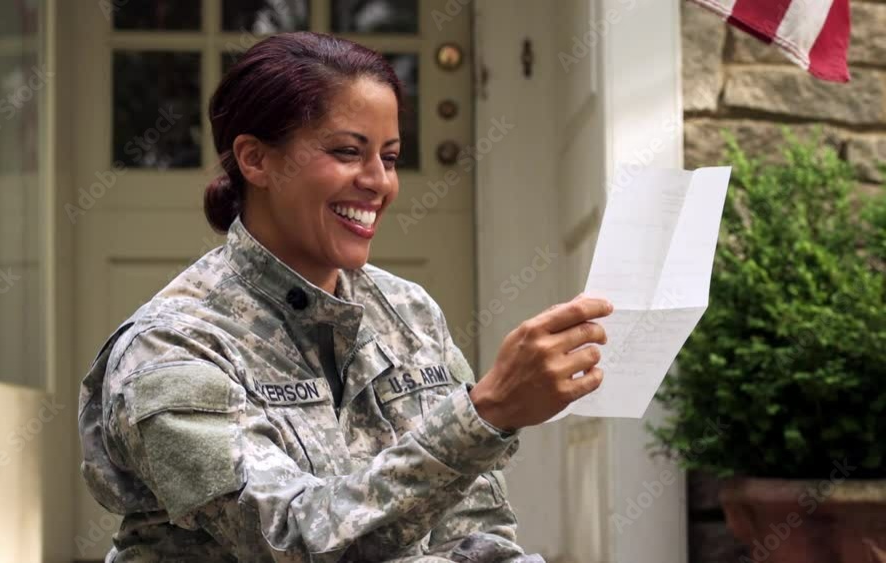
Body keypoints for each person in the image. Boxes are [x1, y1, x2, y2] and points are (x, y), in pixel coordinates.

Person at [77, 31, 613, 563]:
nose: (379, 182)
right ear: (255, 160)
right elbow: (290, 541)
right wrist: (486, 413)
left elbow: (476, 529)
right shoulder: (171, 349)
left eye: (392, 157)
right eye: (347, 152)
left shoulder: (410, 313)